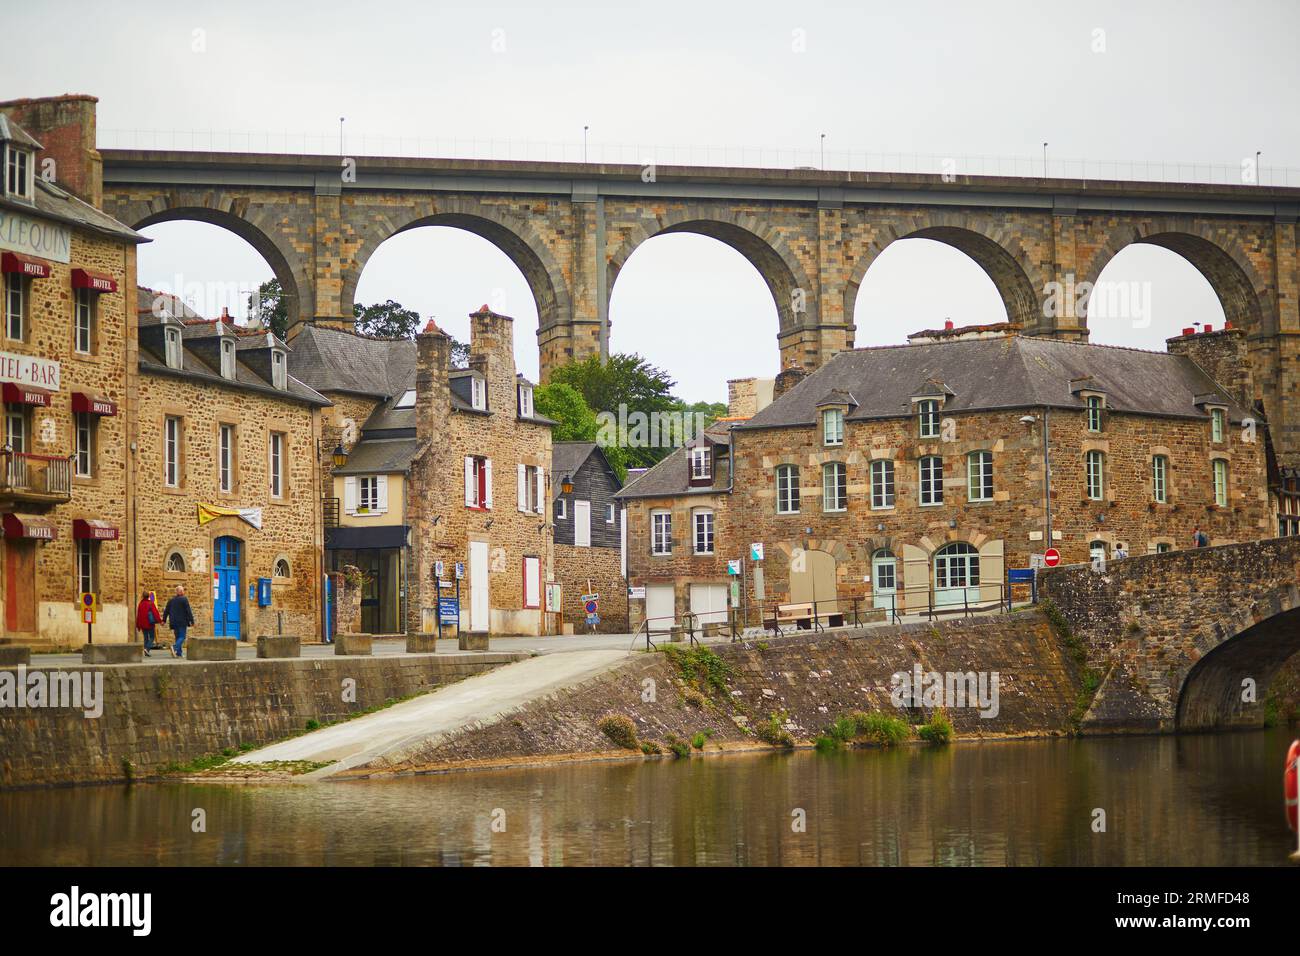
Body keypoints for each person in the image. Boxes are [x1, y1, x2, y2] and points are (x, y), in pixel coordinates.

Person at [163, 584, 195, 658]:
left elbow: (166, 611)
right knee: (182, 637)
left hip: (173, 622)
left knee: (177, 637)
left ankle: (179, 653)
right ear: (180, 591)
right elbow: (188, 611)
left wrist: (163, 620)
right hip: (182, 621)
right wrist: (192, 621)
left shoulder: (171, 600)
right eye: (183, 590)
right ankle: (174, 647)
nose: (184, 592)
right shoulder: (184, 599)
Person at [136, 591, 162, 656]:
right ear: (148, 597)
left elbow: (139, 615)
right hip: (150, 624)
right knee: (152, 637)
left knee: (145, 638)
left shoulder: (140, 604)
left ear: (142, 596)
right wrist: (160, 621)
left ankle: (146, 651)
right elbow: (155, 613)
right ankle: (147, 649)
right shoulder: (150, 603)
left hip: (143, 624)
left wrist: (138, 625)